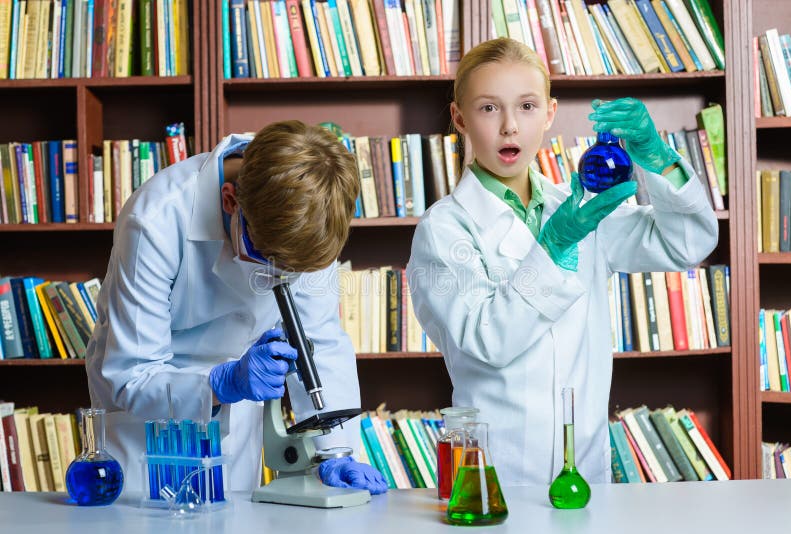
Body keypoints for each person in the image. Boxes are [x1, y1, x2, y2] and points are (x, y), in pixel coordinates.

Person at [407, 38, 719, 486]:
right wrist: (554, 246)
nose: (510, 126)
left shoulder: (578, 208)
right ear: (459, 118)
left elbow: (687, 241)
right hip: (498, 475)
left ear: (550, 114)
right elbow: (486, 340)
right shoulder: (444, 230)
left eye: (528, 106)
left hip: (584, 471)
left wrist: (657, 158)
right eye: (489, 108)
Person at [85, 120, 387, 495]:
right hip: (146, 426)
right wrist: (220, 382)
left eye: (296, 271)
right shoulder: (155, 218)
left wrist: (336, 451)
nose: (280, 279)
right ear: (230, 201)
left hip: (236, 418)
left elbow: (319, 342)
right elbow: (131, 374)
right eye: (269, 260)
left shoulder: (312, 215)